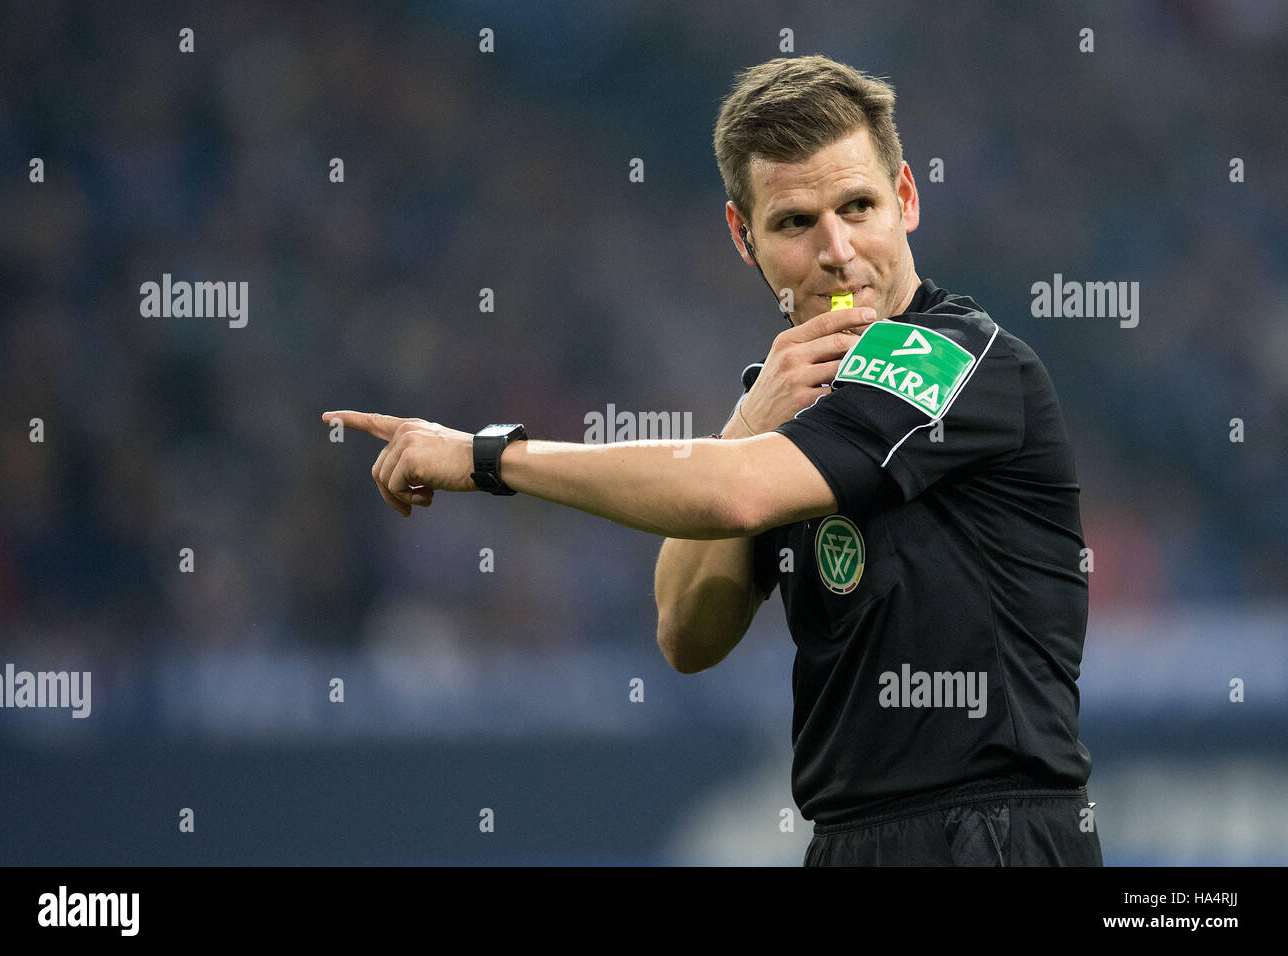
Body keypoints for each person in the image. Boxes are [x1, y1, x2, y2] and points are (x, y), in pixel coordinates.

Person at [323, 54, 1102, 866]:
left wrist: (488, 457)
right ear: (743, 235)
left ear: (906, 198)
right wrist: (743, 429)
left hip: (990, 836)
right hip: (849, 841)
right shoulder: (786, 406)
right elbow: (687, 631)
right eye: (796, 223)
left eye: (859, 206)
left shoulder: (955, 359)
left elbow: (733, 497)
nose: (837, 250)